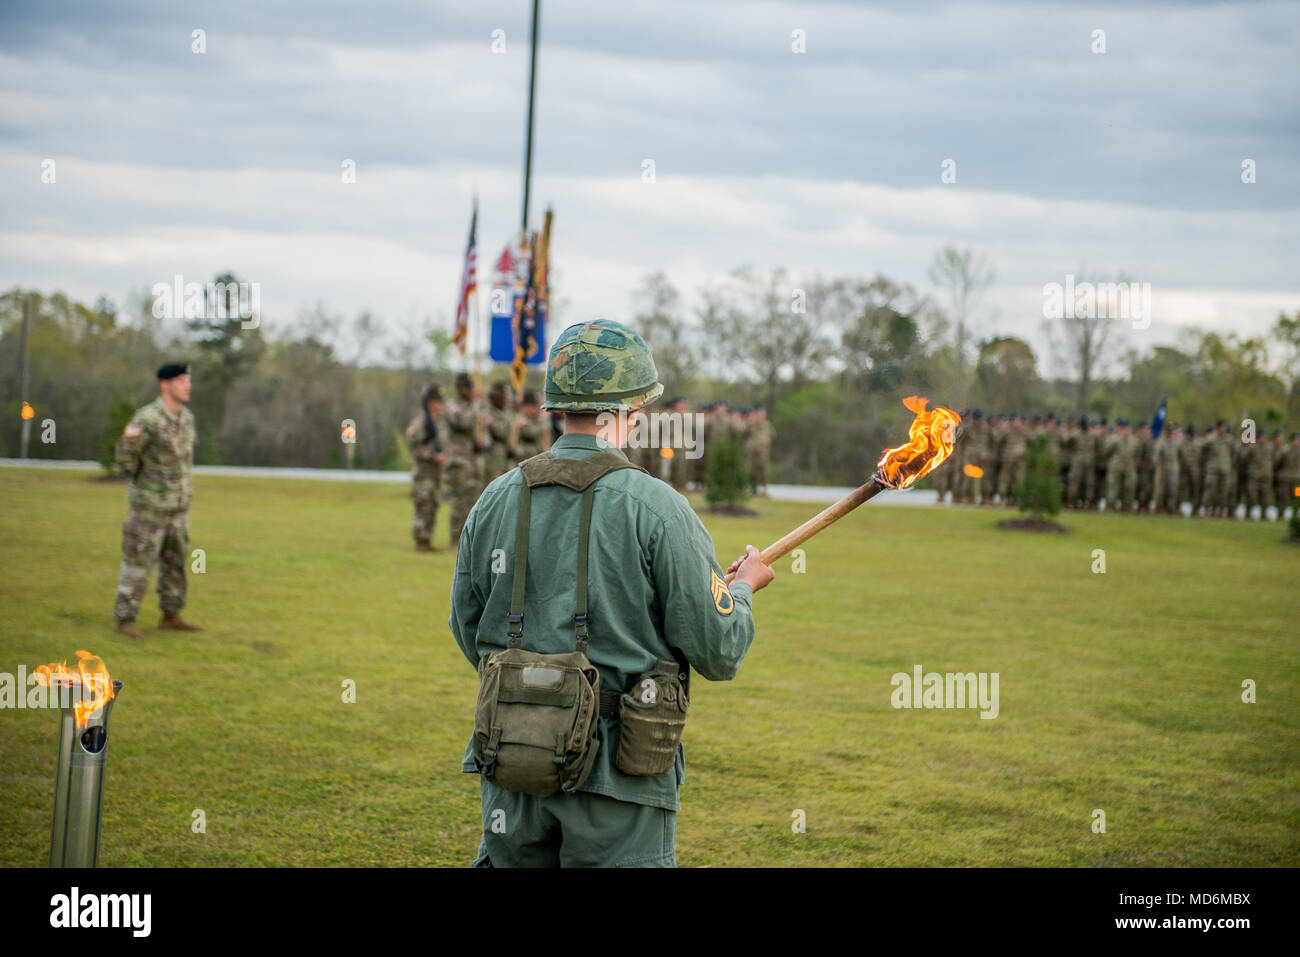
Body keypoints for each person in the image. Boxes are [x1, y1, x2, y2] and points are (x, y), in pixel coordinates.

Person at [449, 318, 773, 868]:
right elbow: (718, 648)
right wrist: (740, 589)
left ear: (557, 405)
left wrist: (535, 690)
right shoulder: (658, 506)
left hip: (515, 761)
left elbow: (468, 626)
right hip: (618, 779)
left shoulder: (495, 498)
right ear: (634, 409)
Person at [112, 362, 202, 638]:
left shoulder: (186, 418)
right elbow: (125, 457)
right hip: (150, 508)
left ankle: (171, 614)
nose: (187, 385)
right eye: (181, 381)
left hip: (178, 508)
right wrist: (147, 484)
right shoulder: (147, 419)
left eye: (188, 380)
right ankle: (126, 619)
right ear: (165, 384)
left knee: (175, 562)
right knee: (138, 560)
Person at [443, 373, 488, 548]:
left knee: (473, 500)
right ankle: (455, 538)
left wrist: (482, 442)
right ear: (461, 389)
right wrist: (475, 410)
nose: (472, 392)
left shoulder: (476, 408)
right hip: (458, 461)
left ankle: (469, 539)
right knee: (459, 500)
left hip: (473, 461)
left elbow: (483, 431)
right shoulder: (454, 407)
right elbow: (462, 422)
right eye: (469, 389)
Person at [405, 384, 448, 552]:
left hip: (436, 473)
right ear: (430, 402)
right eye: (438, 401)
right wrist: (432, 456)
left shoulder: (440, 421)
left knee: (433, 504)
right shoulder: (420, 422)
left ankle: (427, 540)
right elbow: (414, 447)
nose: (441, 404)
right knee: (423, 505)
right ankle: (421, 541)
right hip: (424, 473)